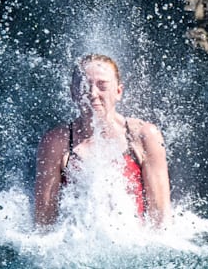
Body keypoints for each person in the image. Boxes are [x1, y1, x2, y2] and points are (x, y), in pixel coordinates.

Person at [33, 53, 172, 228]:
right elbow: (44, 223)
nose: (92, 93)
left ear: (118, 92)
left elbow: (161, 219)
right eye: (84, 86)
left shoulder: (144, 136)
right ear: (73, 93)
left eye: (102, 86)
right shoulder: (57, 141)